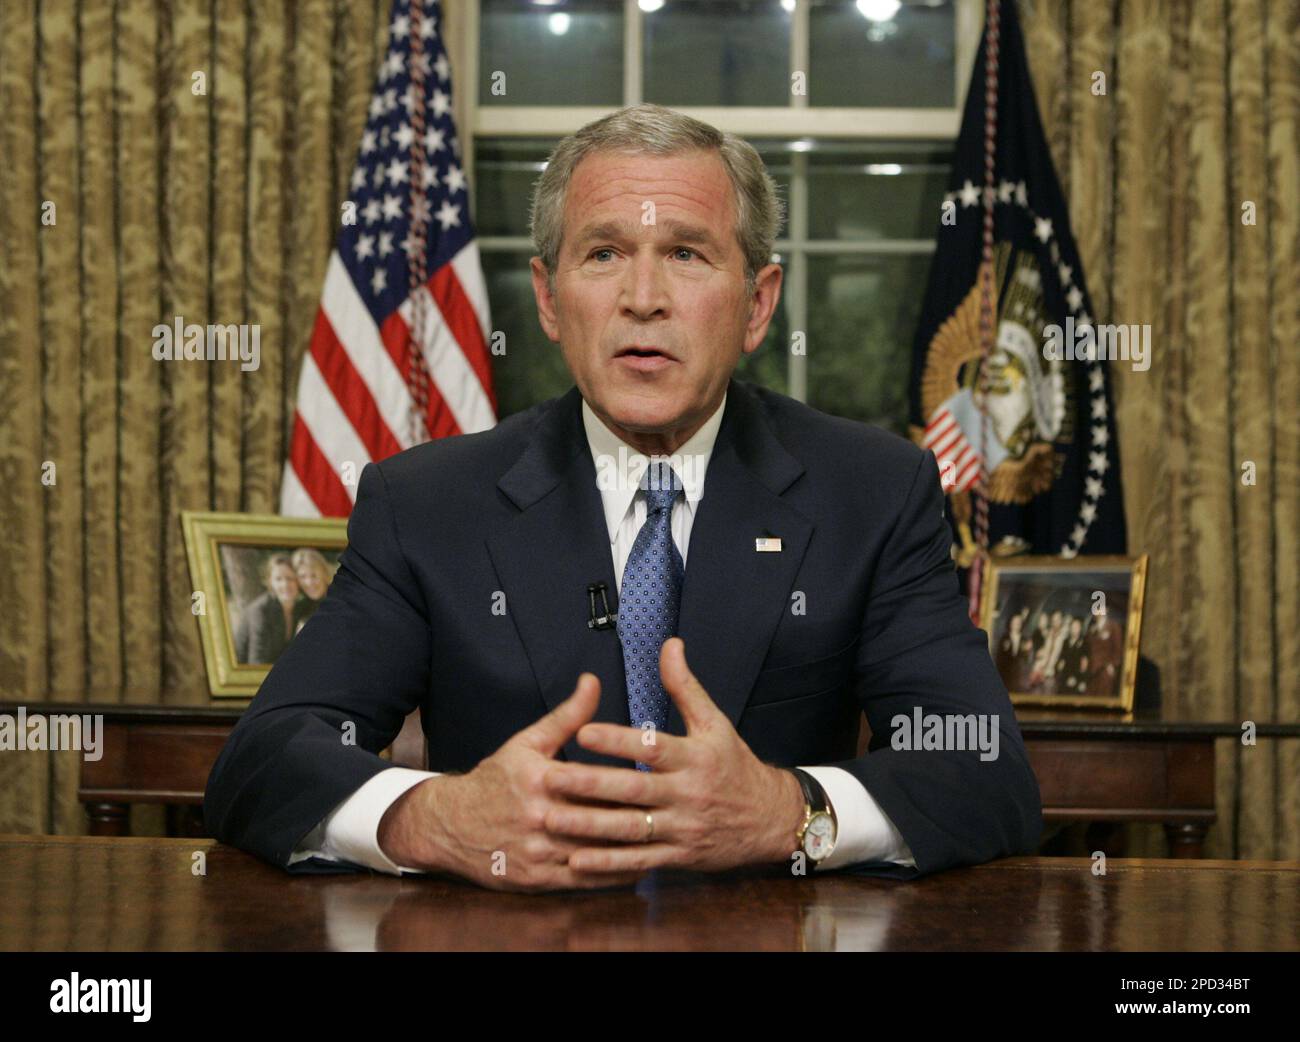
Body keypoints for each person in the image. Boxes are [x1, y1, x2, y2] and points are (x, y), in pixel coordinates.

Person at [204, 103, 1041, 893]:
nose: (644, 298)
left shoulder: (875, 491)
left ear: (757, 305)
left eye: (686, 253)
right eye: (603, 254)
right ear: (547, 299)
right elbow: (265, 759)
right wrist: (435, 818)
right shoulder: (425, 504)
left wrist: (792, 814)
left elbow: (986, 771)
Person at [232, 554, 301, 665]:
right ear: (271, 582)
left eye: (290, 578)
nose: (285, 584)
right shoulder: (260, 611)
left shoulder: (299, 608)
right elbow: (256, 662)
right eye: (278, 579)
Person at [291, 547, 335, 633]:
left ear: (325, 574)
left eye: (314, 575)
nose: (309, 582)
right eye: (303, 576)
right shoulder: (301, 606)